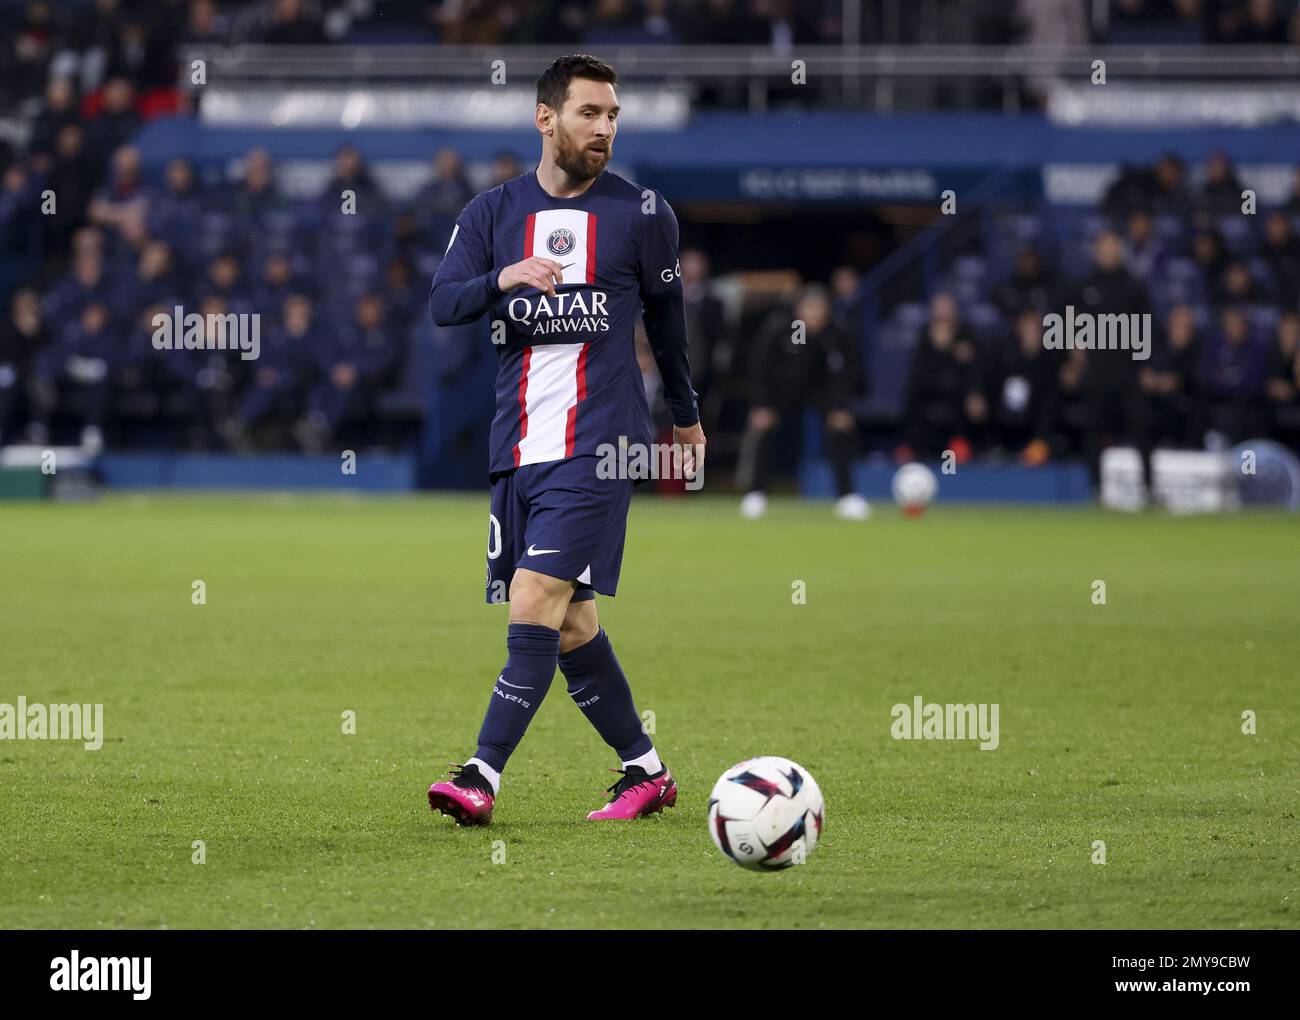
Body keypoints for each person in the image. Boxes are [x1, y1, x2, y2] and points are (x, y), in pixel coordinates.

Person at [426, 55, 703, 825]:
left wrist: (685, 415)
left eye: (613, 115)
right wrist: (502, 279)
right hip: (516, 449)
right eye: (589, 113)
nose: (605, 128)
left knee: (535, 597)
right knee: (573, 621)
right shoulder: (491, 213)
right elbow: (445, 303)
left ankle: (481, 775)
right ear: (546, 119)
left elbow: (667, 325)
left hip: (600, 443)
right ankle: (647, 771)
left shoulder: (643, 213)